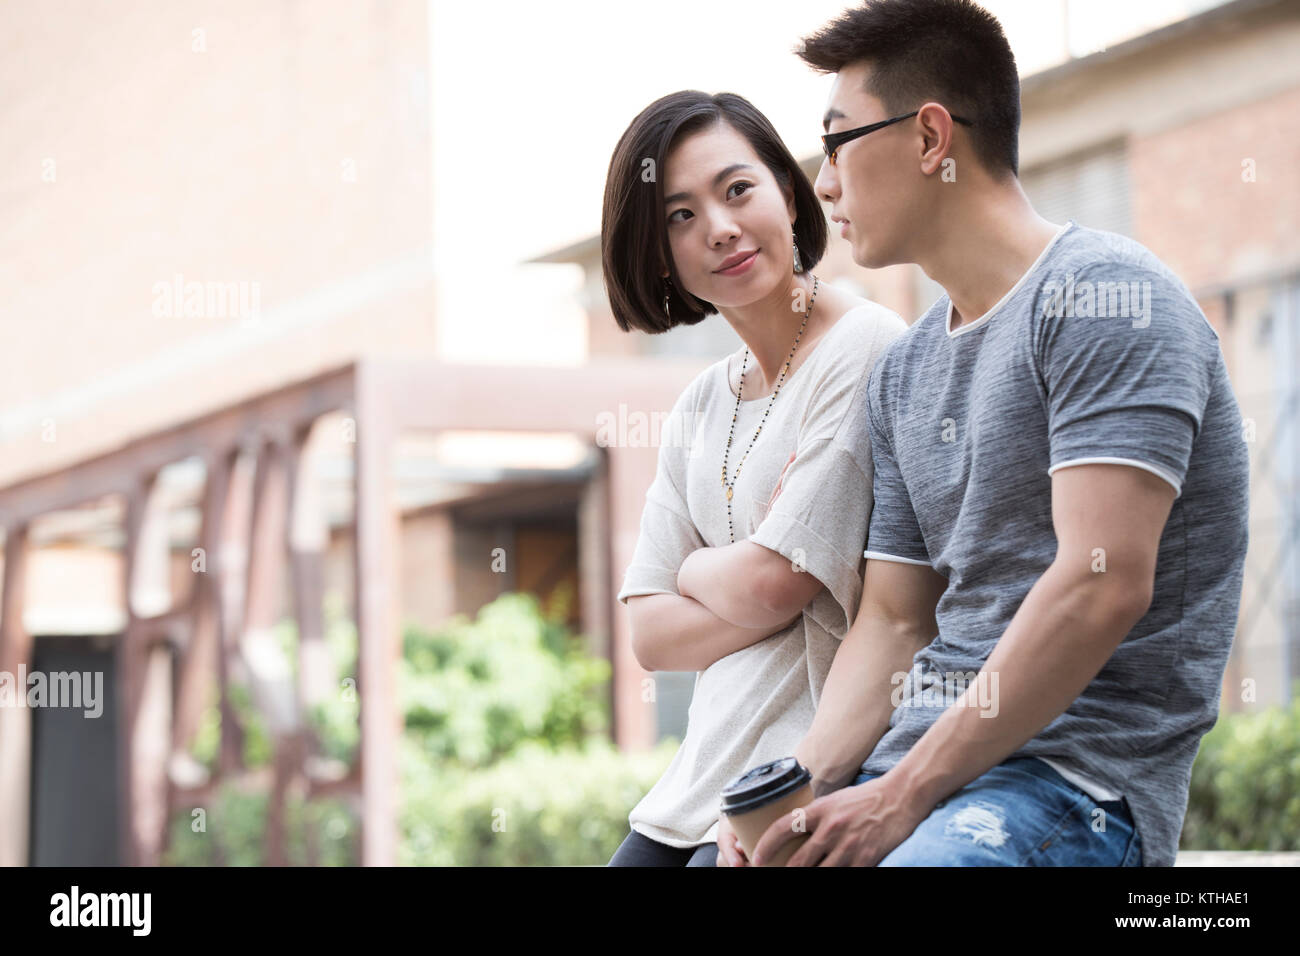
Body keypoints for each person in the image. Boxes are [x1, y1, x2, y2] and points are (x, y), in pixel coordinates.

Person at [729, 0, 1250, 868]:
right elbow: (896, 620)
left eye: (837, 142)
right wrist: (798, 796)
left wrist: (899, 798)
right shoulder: (905, 370)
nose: (822, 185)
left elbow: (1102, 584)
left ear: (931, 139)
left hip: (1075, 788)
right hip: (918, 775)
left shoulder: (1108, 299)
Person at [599, 89, 907, 865]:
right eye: (680, 216)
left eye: (737, 190)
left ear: (785, 189)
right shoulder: (702, 403)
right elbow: (650, 634)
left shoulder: (865, 346)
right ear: (660, 253)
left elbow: (774, 585)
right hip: (692, 786)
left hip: (807, 773)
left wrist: (697, 569)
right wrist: (763, 571)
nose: (720, 228)